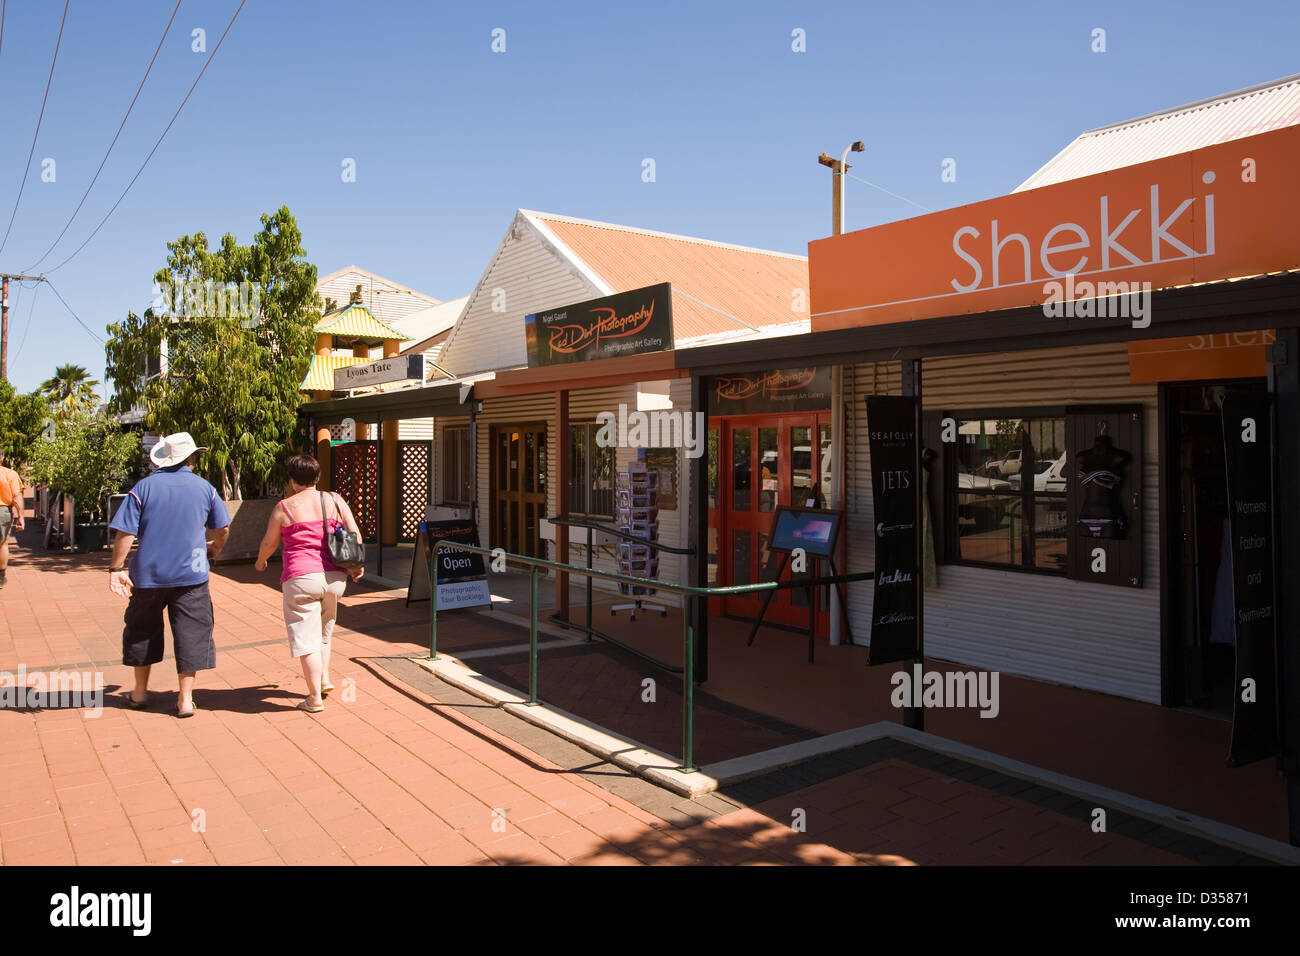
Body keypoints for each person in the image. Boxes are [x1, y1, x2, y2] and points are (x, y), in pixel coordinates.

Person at [108, 432, 231, 716]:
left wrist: (115, 569)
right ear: (191, 457)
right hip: (192, 575)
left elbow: (125, 533)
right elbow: (222, 528)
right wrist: (214, 549)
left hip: (148, 575)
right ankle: (185, 699)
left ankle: (139, 692)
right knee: (191, 632)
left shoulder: (143, 489)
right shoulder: (205, 488)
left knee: (142, 630)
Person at [254, 454, 362, 713]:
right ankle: (324, 680)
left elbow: (270, 542)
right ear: (317, 477)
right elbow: (354, 531)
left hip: (301, 578)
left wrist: (261, 562)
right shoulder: (335, 499)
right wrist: (357, 565)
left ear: (292, 480)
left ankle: (314, 698)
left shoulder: (285, 507)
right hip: (335, 577)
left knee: (306, 639)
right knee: (324, 632)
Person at [0, 449, 25, 590]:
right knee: (2, 544)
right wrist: (21, 516)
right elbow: (16, 496)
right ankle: (1, 577)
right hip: (2, 511)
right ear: (2, 458)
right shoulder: (10, 474)